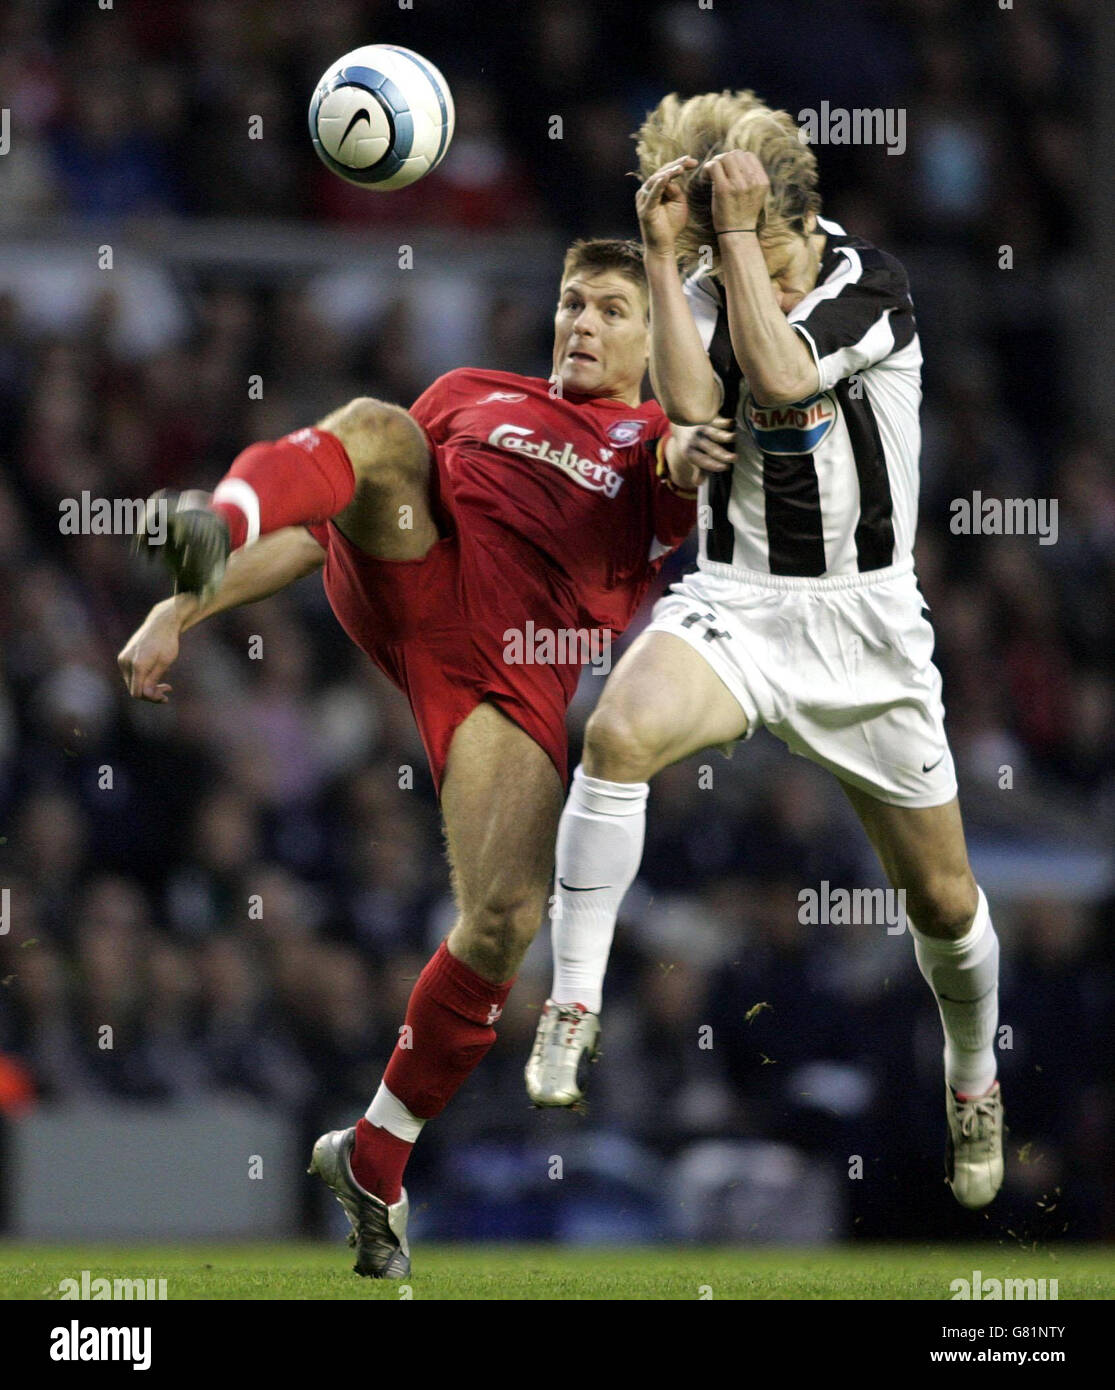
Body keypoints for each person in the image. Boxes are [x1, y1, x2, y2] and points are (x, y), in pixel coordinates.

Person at [119, 238, 701, 1276]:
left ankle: (374, 1151)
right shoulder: (471, 392)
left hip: (510, 674)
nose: (580, 323)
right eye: (571, 301)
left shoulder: (655, 438)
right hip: (414, 575)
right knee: (378, 429)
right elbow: (314, 531)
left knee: (501, 922)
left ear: (655, 337)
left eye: (612, 310)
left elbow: (695, 461)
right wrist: (182, 603)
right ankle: (214, 517)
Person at [525, 93, 1005, 1211]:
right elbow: (693, 398)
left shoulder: (869, 283)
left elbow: (784, 375)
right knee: (615, 730)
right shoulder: (699, 277)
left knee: (939, 900)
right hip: (739, 602)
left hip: (866, 626)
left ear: (784, 213)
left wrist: (734, 245)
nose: (743, 266)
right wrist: (657, 254)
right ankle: (572, 1006)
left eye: (746, 237)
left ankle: (972, 1076)